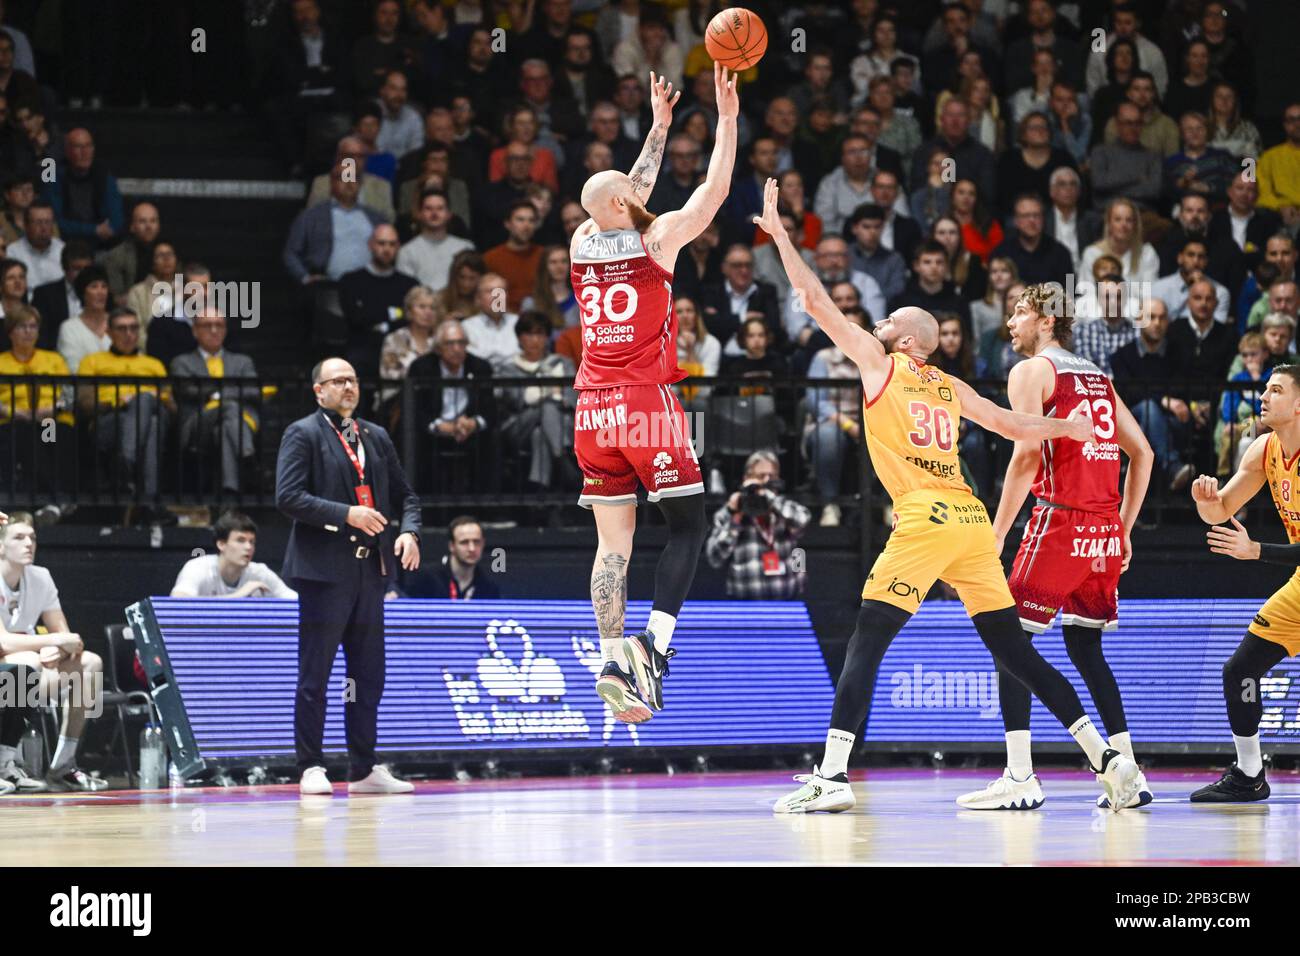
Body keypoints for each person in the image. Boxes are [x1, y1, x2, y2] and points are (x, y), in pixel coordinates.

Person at [751, 178, 1142, 815]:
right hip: (970, 518)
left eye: (885, 322)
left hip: (927, 519)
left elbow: (812, 299)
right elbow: (1012, 426)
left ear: (905, 341)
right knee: (1014, 651)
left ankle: (832, 777)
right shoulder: (950, 385)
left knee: (866, 642)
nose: (873, 326)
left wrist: (780, 233)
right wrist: (1064, 427)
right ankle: (1106, 759)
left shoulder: (880, 366)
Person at [571, 65, 736, 725]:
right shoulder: (656, 238)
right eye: (629, 195)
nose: (640, 196)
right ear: (622, 208)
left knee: (613, 547)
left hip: (590, 411)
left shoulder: (584, 242)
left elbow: (624, 190)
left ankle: (612, 660)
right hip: (645, 405)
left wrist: (659, 128)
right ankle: (654, 650)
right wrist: (725, 118)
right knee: (690, 525)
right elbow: (714, 191)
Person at [957, 283, 1155, 811]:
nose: (1010, 324)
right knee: (1086, 648)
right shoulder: (1096, 375)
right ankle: (1130, 768)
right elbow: (1145, 455)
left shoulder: (1030, 372)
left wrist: (996, 533)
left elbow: (1025, 458)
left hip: (1060, 523)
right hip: (1104, 532)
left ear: (1046, 320)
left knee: (1007, 639)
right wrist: (1125, 528)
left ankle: (1021, 776)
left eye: (1019, 312)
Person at [274, 357, 421, 795]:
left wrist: (410, 532)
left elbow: (406, 495)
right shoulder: (302, 433)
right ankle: (311, 765)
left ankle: (363, 767)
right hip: (323, 571)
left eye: (353, 380)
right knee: (316, 672)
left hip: (370, 570)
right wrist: (347, 515)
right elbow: (288, 496)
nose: (348, 387)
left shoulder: (374, 435)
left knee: (368, 673)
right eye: (338, 381)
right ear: (318, 390)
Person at [1190, 366, 1300, 801]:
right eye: (1266, 389)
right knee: (1240, 671)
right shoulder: (1264, 450)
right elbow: (1222, 512)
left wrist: (1257, 551)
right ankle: (1249, 774)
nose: (1265, 396)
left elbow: (1255, 547)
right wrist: (1207, 503)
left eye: (1276, 390)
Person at [0, 512, 105, 790]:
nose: (28, 544)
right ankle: (3, 764)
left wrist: (58, 650)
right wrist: (52, 642)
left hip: (25, 675)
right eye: (19, 537)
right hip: (10, 672)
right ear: (0, 545)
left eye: (32, 537)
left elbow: (68, 639)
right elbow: (4, 642)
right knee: (28, 662)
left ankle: (64, 765)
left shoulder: (41, 577)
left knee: (90, 664)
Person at [169, 311, 260, 496]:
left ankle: (229, 491)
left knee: (225, 429)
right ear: (194, 331)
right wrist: (228, 395)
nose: (214, 330)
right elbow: (187, 390)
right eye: (206, 325)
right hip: (197, 423)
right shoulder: (181, 362)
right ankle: (248, 456)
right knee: (230, 406)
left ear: (225, 330)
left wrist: (217, 394)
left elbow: (253, 390)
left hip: (238, 421)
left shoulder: (242, 362)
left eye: (219, 325)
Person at [705, 450, 811, 592]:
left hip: (786, 605)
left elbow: (803, 521)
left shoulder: (784, 507)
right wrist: (735, 518)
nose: (767, 481)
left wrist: (769, 499)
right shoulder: (730, 512)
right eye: (761, 477)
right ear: (747, 479)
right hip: (744, 607)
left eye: (771, 476)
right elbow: (715, 558)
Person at [494, 311, 576, 492]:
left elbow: (572, 399)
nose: (535, 339)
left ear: (547, 337)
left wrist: (538, 394)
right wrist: (551, 392)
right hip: (519, 427)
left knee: (539, 433)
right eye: (529, 334)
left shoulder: (563, 363)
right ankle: (562, 456)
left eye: (540, 333)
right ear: (519, 337)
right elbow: (518, 400)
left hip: (562, 424)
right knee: (547, 407)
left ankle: (539, 493)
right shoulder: (508, 369)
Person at [171, 511, 296, 598]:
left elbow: (296, 603)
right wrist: (238, 596)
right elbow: (178, 603)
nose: (248, 547)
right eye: (240, 540)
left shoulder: (259, 572)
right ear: (221, 544)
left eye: (252, 542)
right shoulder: (198, 567)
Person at [395, 515, 500, 599]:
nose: (472, 548)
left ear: (483, 544)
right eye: (464, 542)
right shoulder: (426, 579)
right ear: (452, 546)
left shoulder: (489, 586)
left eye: (476, 542)